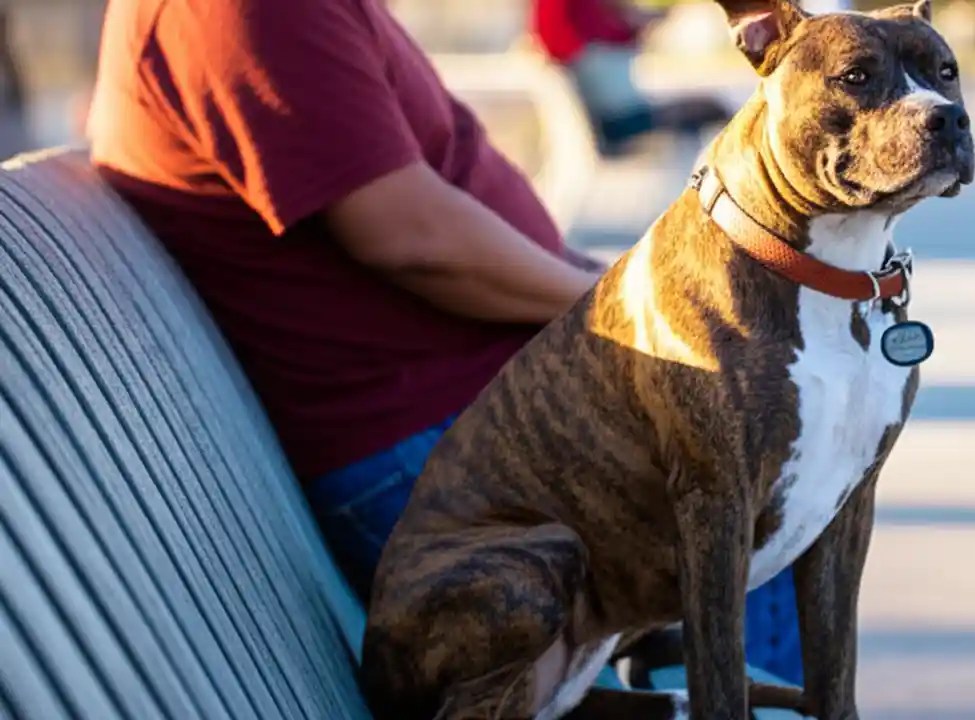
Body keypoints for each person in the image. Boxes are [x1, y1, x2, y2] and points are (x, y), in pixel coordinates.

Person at [88, 0, 803, 690]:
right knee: (756, 487)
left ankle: (702, 683)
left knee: (781, 449)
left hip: (472, 410)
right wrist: (638, 309)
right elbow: (411, 237)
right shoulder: (251, 9)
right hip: (433, 446)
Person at [529, 0, 730, 155]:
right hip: (618, 122)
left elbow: (607, 31)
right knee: (711, 107)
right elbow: (552, 32)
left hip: (623, 110)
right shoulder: (577, 49)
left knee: (712, 106)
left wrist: (638, 24)